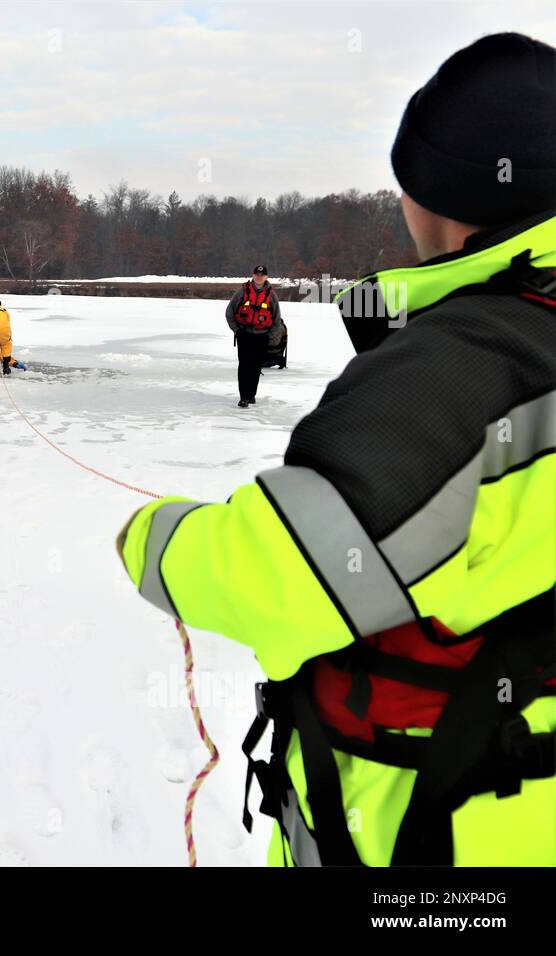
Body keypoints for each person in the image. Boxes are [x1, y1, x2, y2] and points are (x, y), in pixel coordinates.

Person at [116, 33, 556, 866]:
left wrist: (153, 539)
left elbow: (286, 572)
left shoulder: (463, 371)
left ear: (439, 203)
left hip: (451, 844)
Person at [225, 265, 282, 406]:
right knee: (244, 366)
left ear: (266, 277)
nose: (259, 277)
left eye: (262, 275)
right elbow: (229, 312)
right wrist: (236, 331)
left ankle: (251, 395)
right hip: (244, 334)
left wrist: (271, 337)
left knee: (256, 367)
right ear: (253, 275)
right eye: (257, 274)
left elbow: (276, 319)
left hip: (262, 336)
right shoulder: (243, 291)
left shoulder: (271, 295)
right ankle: (243, 397)